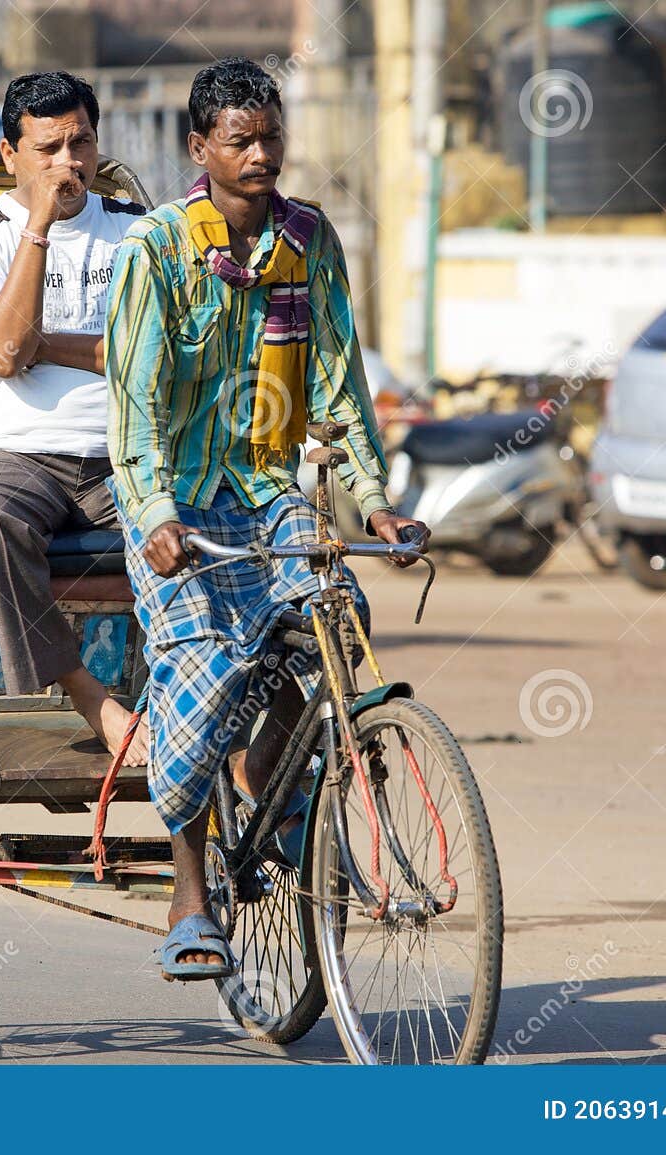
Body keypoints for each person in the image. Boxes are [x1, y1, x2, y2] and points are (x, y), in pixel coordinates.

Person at [105, 58, 429, 979]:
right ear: (199, 148)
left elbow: (339, 381)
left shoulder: (308, 240)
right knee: (204, 682)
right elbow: (133, 405)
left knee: (337, 614)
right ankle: (189, 894)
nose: (260, 154)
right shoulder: (159, 251)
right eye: (240, 140)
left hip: (269, 492)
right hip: (177, 509)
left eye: (271, 136)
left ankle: (271, 776)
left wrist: (378, 502)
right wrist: (157, 514)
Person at [0, 71, 148, 760]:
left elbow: (147, 356)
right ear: (10, 155)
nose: (68, 163)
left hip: (119, 452)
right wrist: (40, 227)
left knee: (208, 524)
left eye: (80, 144)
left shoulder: (138, 233)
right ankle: (91, 697)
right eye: (48, 148)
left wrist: (36, 345)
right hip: (6, 455)